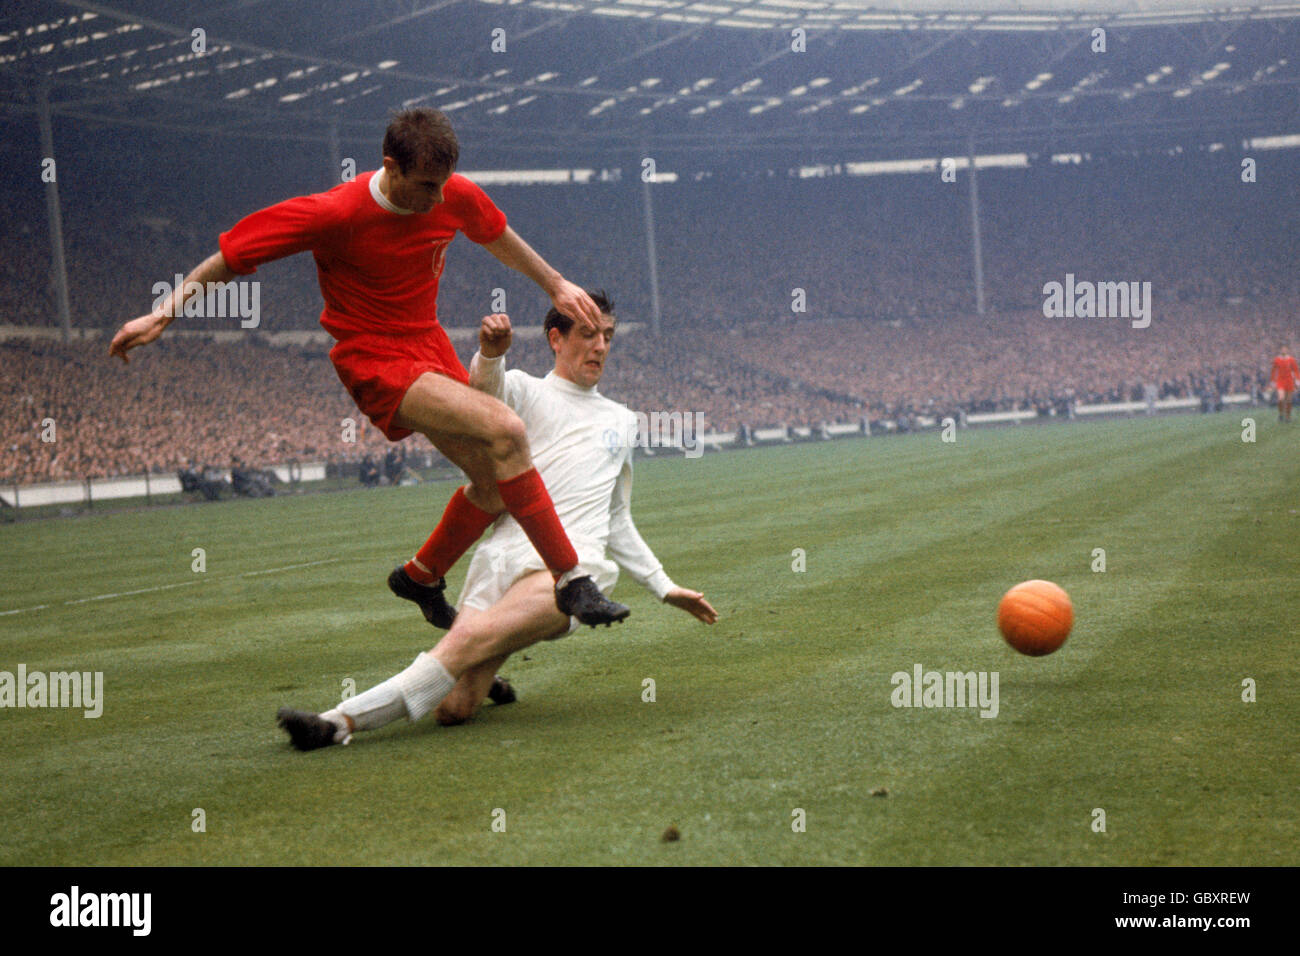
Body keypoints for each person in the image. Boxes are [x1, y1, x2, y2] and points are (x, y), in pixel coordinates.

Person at [108, 108, 626, 626]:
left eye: (444, 183)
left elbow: (496, 236)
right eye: (427, 185)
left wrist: (555, 285)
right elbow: (231, 256)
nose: (439, 197)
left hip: (430, 343)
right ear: (390, 167)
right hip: (372, 355)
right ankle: (573, 581)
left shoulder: (453, 194)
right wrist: (162, 314)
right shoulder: (335, 213)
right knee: (508, 430)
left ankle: (420, 576)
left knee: (492, 483)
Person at [277, 294, 717, 750]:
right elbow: (480, 400)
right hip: (498, 557)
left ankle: (337, 723)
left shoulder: (623, 421)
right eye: (587, 333)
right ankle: (486, 682)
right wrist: (491, 353)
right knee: (454, 708)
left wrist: (664, 587)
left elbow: (617, 518)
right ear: (555, 338)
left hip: (564, 570)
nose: (600, 346)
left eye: (606, 336)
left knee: (464, 641)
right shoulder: (526, 389)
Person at [1269, 345, 1298, 423]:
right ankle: (1281, 414)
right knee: (1281, 399)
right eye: (1282, 349)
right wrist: (1272, 381)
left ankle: (1288, 417)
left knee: (1289, 400)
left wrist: (1297, 380)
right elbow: (1273, 370)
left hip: (1289, 381)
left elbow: (1296, 370)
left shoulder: (1291, 359)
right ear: (1280, 350)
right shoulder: (1277, 360)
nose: (1284, 351)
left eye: (1285, 349)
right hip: (1280, 381)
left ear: (1287, 350)